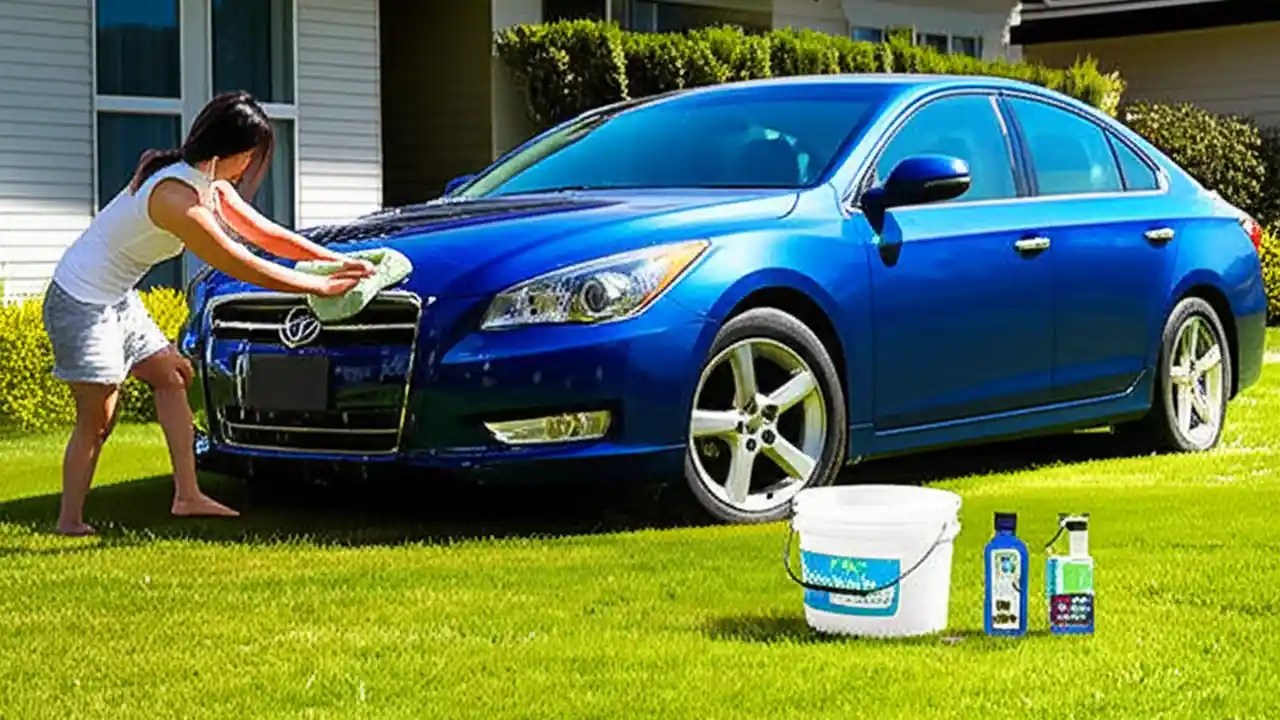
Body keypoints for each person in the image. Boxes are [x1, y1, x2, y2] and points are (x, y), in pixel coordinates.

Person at [42, 91, 374, 536]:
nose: (250, 165)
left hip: (116, 296)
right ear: (231, 152)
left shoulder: (208, 183)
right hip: (81, 299)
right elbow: (239, 261)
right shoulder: (176, 198)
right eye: (251, 155)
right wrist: (317, 285)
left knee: (173, 376)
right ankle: (70, 522)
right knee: (98, 419)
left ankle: (187, 495)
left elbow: (263, 233)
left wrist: (332, 259)